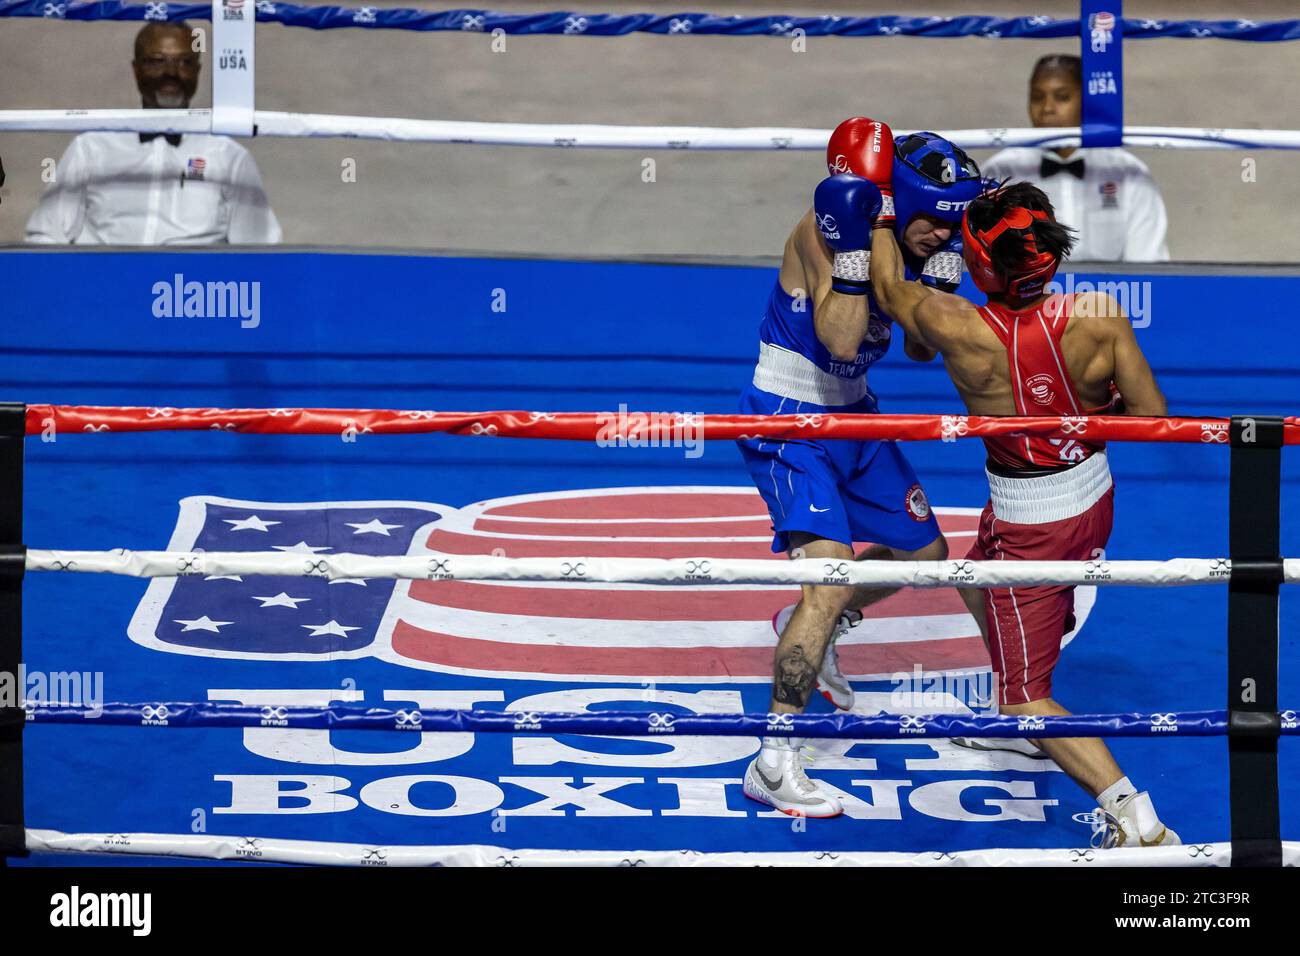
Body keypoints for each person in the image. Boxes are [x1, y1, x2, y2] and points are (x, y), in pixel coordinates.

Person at [855, 138, 1177, 845]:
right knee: (977, 571)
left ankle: (1136, 818)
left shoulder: (957, 326)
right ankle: (1025, 733)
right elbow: (1154, 422)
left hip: (1034, 520)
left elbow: (888, 292)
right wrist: (1090, 407)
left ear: (979, 263)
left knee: (1027, 695)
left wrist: (877, 200)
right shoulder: (1101, 315)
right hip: (1091, 496)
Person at [735, 117, 985, 818]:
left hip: (855, 416)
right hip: (790, 418)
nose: (944, 234)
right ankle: (774, 759)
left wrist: (936, 289)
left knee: (926, 554)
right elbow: (841, 343)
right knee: (830, 574)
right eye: (937, 222)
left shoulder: (911, 240)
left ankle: (817, 617)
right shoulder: (830, 230)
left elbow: (916, 355)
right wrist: (854, 263)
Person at [25, 21, 281, 245]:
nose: (171, 73)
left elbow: (262, 252)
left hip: (186, 294)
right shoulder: (90, 148)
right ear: (136, 70)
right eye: (157, 61)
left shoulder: (231, 158)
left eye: (184, 62)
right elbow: (45, 236)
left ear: (198, 71)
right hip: (105, 290)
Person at [982, 54, 1168, 262]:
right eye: (1037, 97)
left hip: (1115, 292)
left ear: (1087, 102)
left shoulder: (1129, 173)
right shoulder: (999, 171)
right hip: (1027, 292)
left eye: (1062, 97)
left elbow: (1148, 265)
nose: (1047, 109)